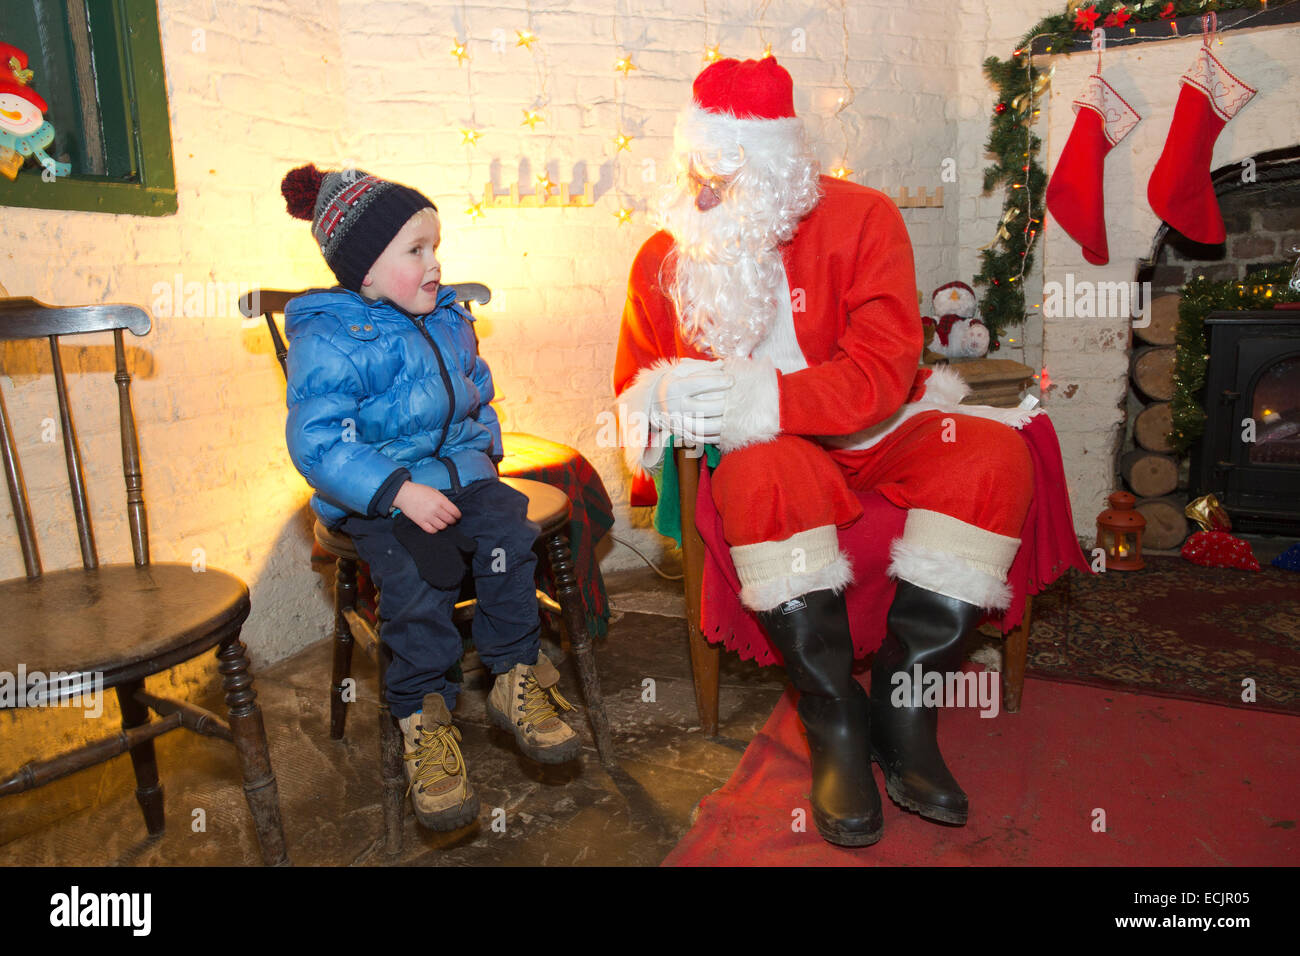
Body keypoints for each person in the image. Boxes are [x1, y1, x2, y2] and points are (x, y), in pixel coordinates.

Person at [613, 58, 1039, 847]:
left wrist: (759, 394)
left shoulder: (864, 216)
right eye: (701, 173)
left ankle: (906, 707)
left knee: (993, 457)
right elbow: (639, 382)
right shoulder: (666, 256)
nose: (710, 193)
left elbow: (881, 373)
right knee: (765, 474)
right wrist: (662, 404)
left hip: (879, 427)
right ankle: (834, 716)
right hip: (775, 450)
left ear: (779, 159)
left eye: (731, 171)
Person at [280, 164, 580, 832]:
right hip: (380, 494)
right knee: (417, 583)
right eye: (415, 251)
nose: (435, 264)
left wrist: (484, 462)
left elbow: (479, 390)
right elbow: (318, 442)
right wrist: (395, 490)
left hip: (462, 477)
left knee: (509, 535)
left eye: (436, 247)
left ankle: (514, 677)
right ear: (364, 272)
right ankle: (424, 721)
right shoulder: (329, 336)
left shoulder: (447, 318)